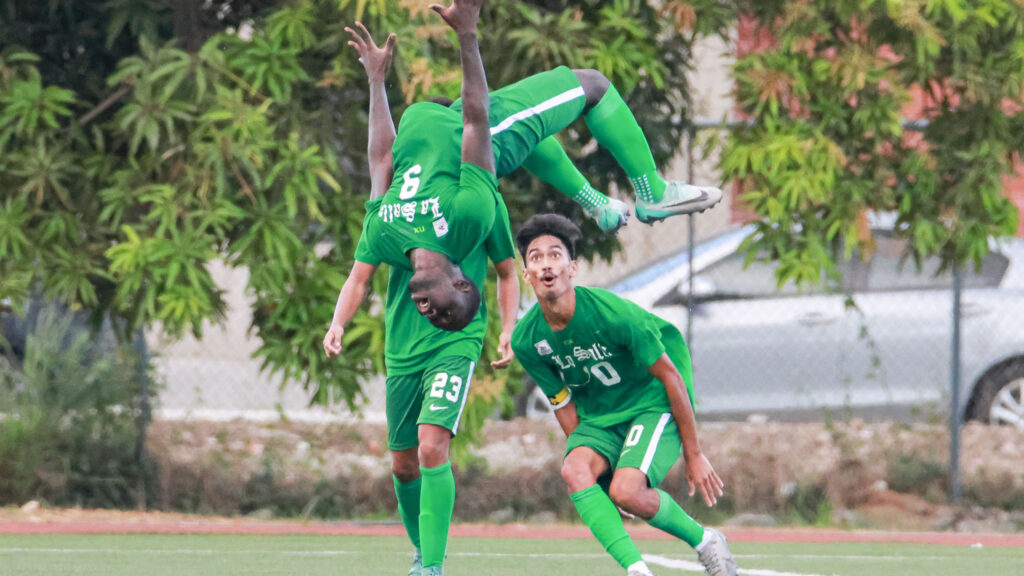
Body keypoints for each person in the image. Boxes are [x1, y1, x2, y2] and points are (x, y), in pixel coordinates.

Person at [333, 18, 722, 335]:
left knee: (529, 133)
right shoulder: (467, 214)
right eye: (444, 311)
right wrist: (467, 34)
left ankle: (596, 204)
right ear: (461, 280)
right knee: (593, 87)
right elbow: (477, 122)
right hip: (483, 134)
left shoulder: (384, 236)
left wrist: (376, 79)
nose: (429, 310)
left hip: (445, 124)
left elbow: (382, 158)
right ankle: (651, 191)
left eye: (429, 314)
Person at [510, 213, 739, 576]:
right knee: (574, 469)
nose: (545, 264)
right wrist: (593, 473)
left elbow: (671, 377)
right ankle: (636, 569)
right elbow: (562, 403)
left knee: (627, 492)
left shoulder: (614, 314)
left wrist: (694, 453)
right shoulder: (526, 340)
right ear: (527, 275)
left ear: (573, 268)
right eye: (535, 258)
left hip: (649, 404)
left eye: (555, 255)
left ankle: (706, 540)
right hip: (600, 418)